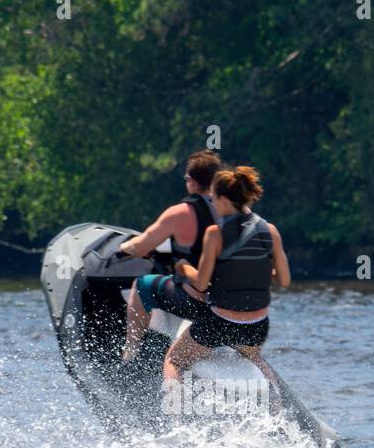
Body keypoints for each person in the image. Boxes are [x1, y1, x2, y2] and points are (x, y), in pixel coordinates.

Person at [162, 166, 288, 385]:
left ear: (225, 201)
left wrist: (182, 267)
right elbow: (284, 280)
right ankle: (278, 409)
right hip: (257, 325)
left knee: (174, 360)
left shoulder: (215, 233)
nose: (212, 204)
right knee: (254, 357)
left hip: (221, 321)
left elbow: (201, 283)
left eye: (213, 199)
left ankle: (173, 417)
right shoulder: (270, 230)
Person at [118, 151, 224, 361]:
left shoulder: (179, 213)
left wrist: (122, 248)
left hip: (194, 300)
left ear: (191, 181)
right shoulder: (232, 210)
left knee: (142, 285)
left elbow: (140, 247)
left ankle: (130, 352)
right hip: (227, 299)